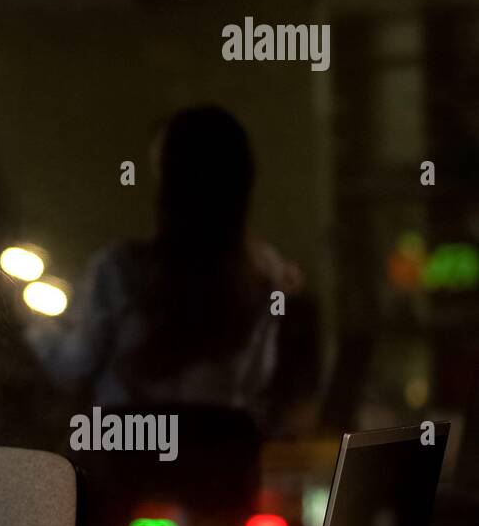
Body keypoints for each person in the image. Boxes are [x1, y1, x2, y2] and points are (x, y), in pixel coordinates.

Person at [33, 105, 310, 430]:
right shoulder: (263, 273)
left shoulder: (119, 268)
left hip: (128, 463)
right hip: (221, 464)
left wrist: (35, 328)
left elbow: (72, 367)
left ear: (168, 183)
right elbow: (256, 380)